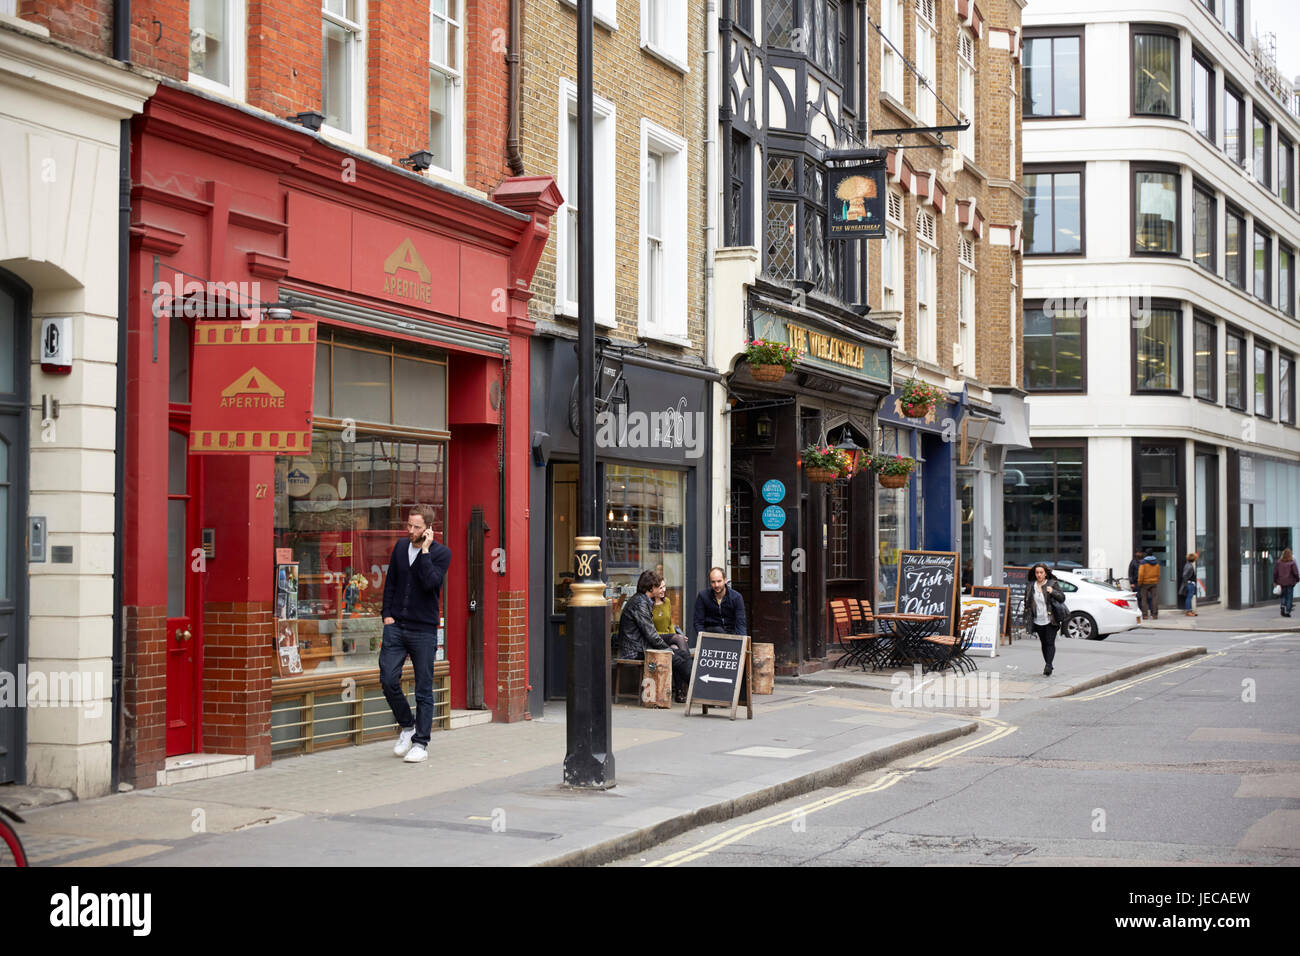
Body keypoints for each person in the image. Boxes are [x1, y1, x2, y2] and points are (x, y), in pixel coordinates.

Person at [381, 506, 452, 764]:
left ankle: (421, 743)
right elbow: (391, 583)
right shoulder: (400, 547)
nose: (410, 531)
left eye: (416, 527)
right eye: (409, 525)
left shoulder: (441, 553)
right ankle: (407, 727)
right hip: (396, 627)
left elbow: (430, 583)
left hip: (423, 630)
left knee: (423, 689)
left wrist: (424, 552)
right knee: (388, 679)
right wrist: (386, 615)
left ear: (429, 529)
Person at [617, 569, 692, 702]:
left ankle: (696, 687)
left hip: (641, 644)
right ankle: (698, 687)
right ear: (652, 588)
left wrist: (668, 649)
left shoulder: (642, 600)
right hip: (635, 650)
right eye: (659, 587)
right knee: (676, 657)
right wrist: (667, 650)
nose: (662, 589)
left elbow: (650, 634)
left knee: (683, 654)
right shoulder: (640, 603)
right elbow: (651, 634)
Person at [1021, 563, 1068, 676]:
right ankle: (1049, 664)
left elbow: (1062, 598)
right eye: (1037, 572)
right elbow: (1027, 602)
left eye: (1041, 572)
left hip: (1051, 619)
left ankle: (1048, 665)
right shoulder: (1030, 585)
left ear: (1045, 573)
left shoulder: (1052, 584)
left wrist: (1052, 591)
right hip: (1038, 619)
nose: (1039, 575)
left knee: (1050, 642)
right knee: (1043, 643)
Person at [692, 567, 748, 636]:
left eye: (719, 581)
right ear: (710, 582)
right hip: (710, 635)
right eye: (713, 582)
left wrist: (742, 642)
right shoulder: (703, 596)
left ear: (725, 580)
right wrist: (703, 638)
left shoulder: (736, 597)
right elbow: (698, 622)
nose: (716, 585)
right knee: (717, 630)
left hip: (731, 635)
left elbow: (740, 623)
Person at [1274, 548, 1299, 617]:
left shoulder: (1279, 562)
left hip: (1281, 581)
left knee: (1283, 595)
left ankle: (1282, 606)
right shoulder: (1292, 562)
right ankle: (1288, 611)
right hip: (1290, 582)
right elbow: (1295, 572)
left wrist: (1275, 581)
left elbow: (1275, 572)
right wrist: (1297, 579)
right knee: (1289, 596)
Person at [1136, 551, 1162, 620]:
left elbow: (1141, 574)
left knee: (1144, 599)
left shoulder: (1143, 562)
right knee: (1154, 598)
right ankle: (1155, 615)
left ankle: (1145, 615)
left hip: (1145, 583)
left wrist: (1139, 583)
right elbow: (1158, 573)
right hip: (1153, 582)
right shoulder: (1156, 562)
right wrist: (1156, 580)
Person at [1179, 552, 1199, 617]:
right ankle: (1188, 611)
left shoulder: (1188, 565)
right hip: (1190, 583)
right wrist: (1187, 583)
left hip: (1189, 583)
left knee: (1189, 597)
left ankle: (1190, 610)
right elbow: (1184, 575)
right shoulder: (1189, 566)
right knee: (1189, 597)